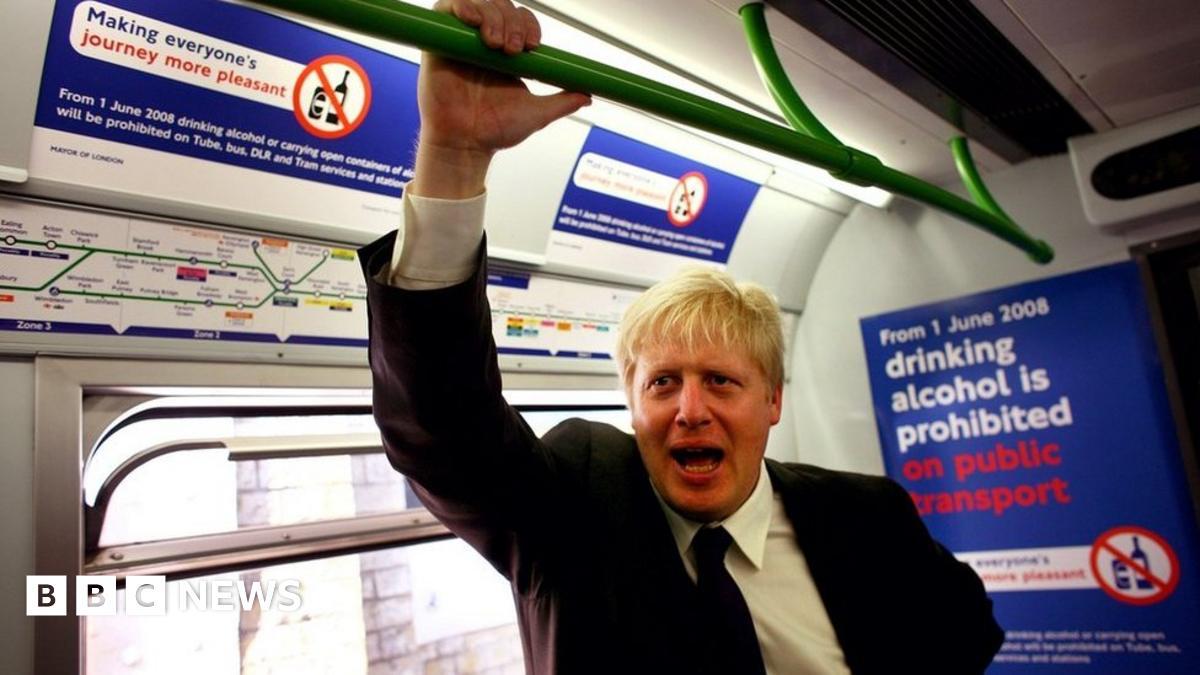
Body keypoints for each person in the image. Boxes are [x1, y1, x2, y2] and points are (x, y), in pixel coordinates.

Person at [359, 1, 1003, 672]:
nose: (690, 410)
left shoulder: (867, 516)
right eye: (663, 382)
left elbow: (969, 629)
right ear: (633, 402)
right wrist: (454, 159)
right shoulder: (579, 502)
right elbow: (444, 430)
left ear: (773, 401)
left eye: (721, 380)